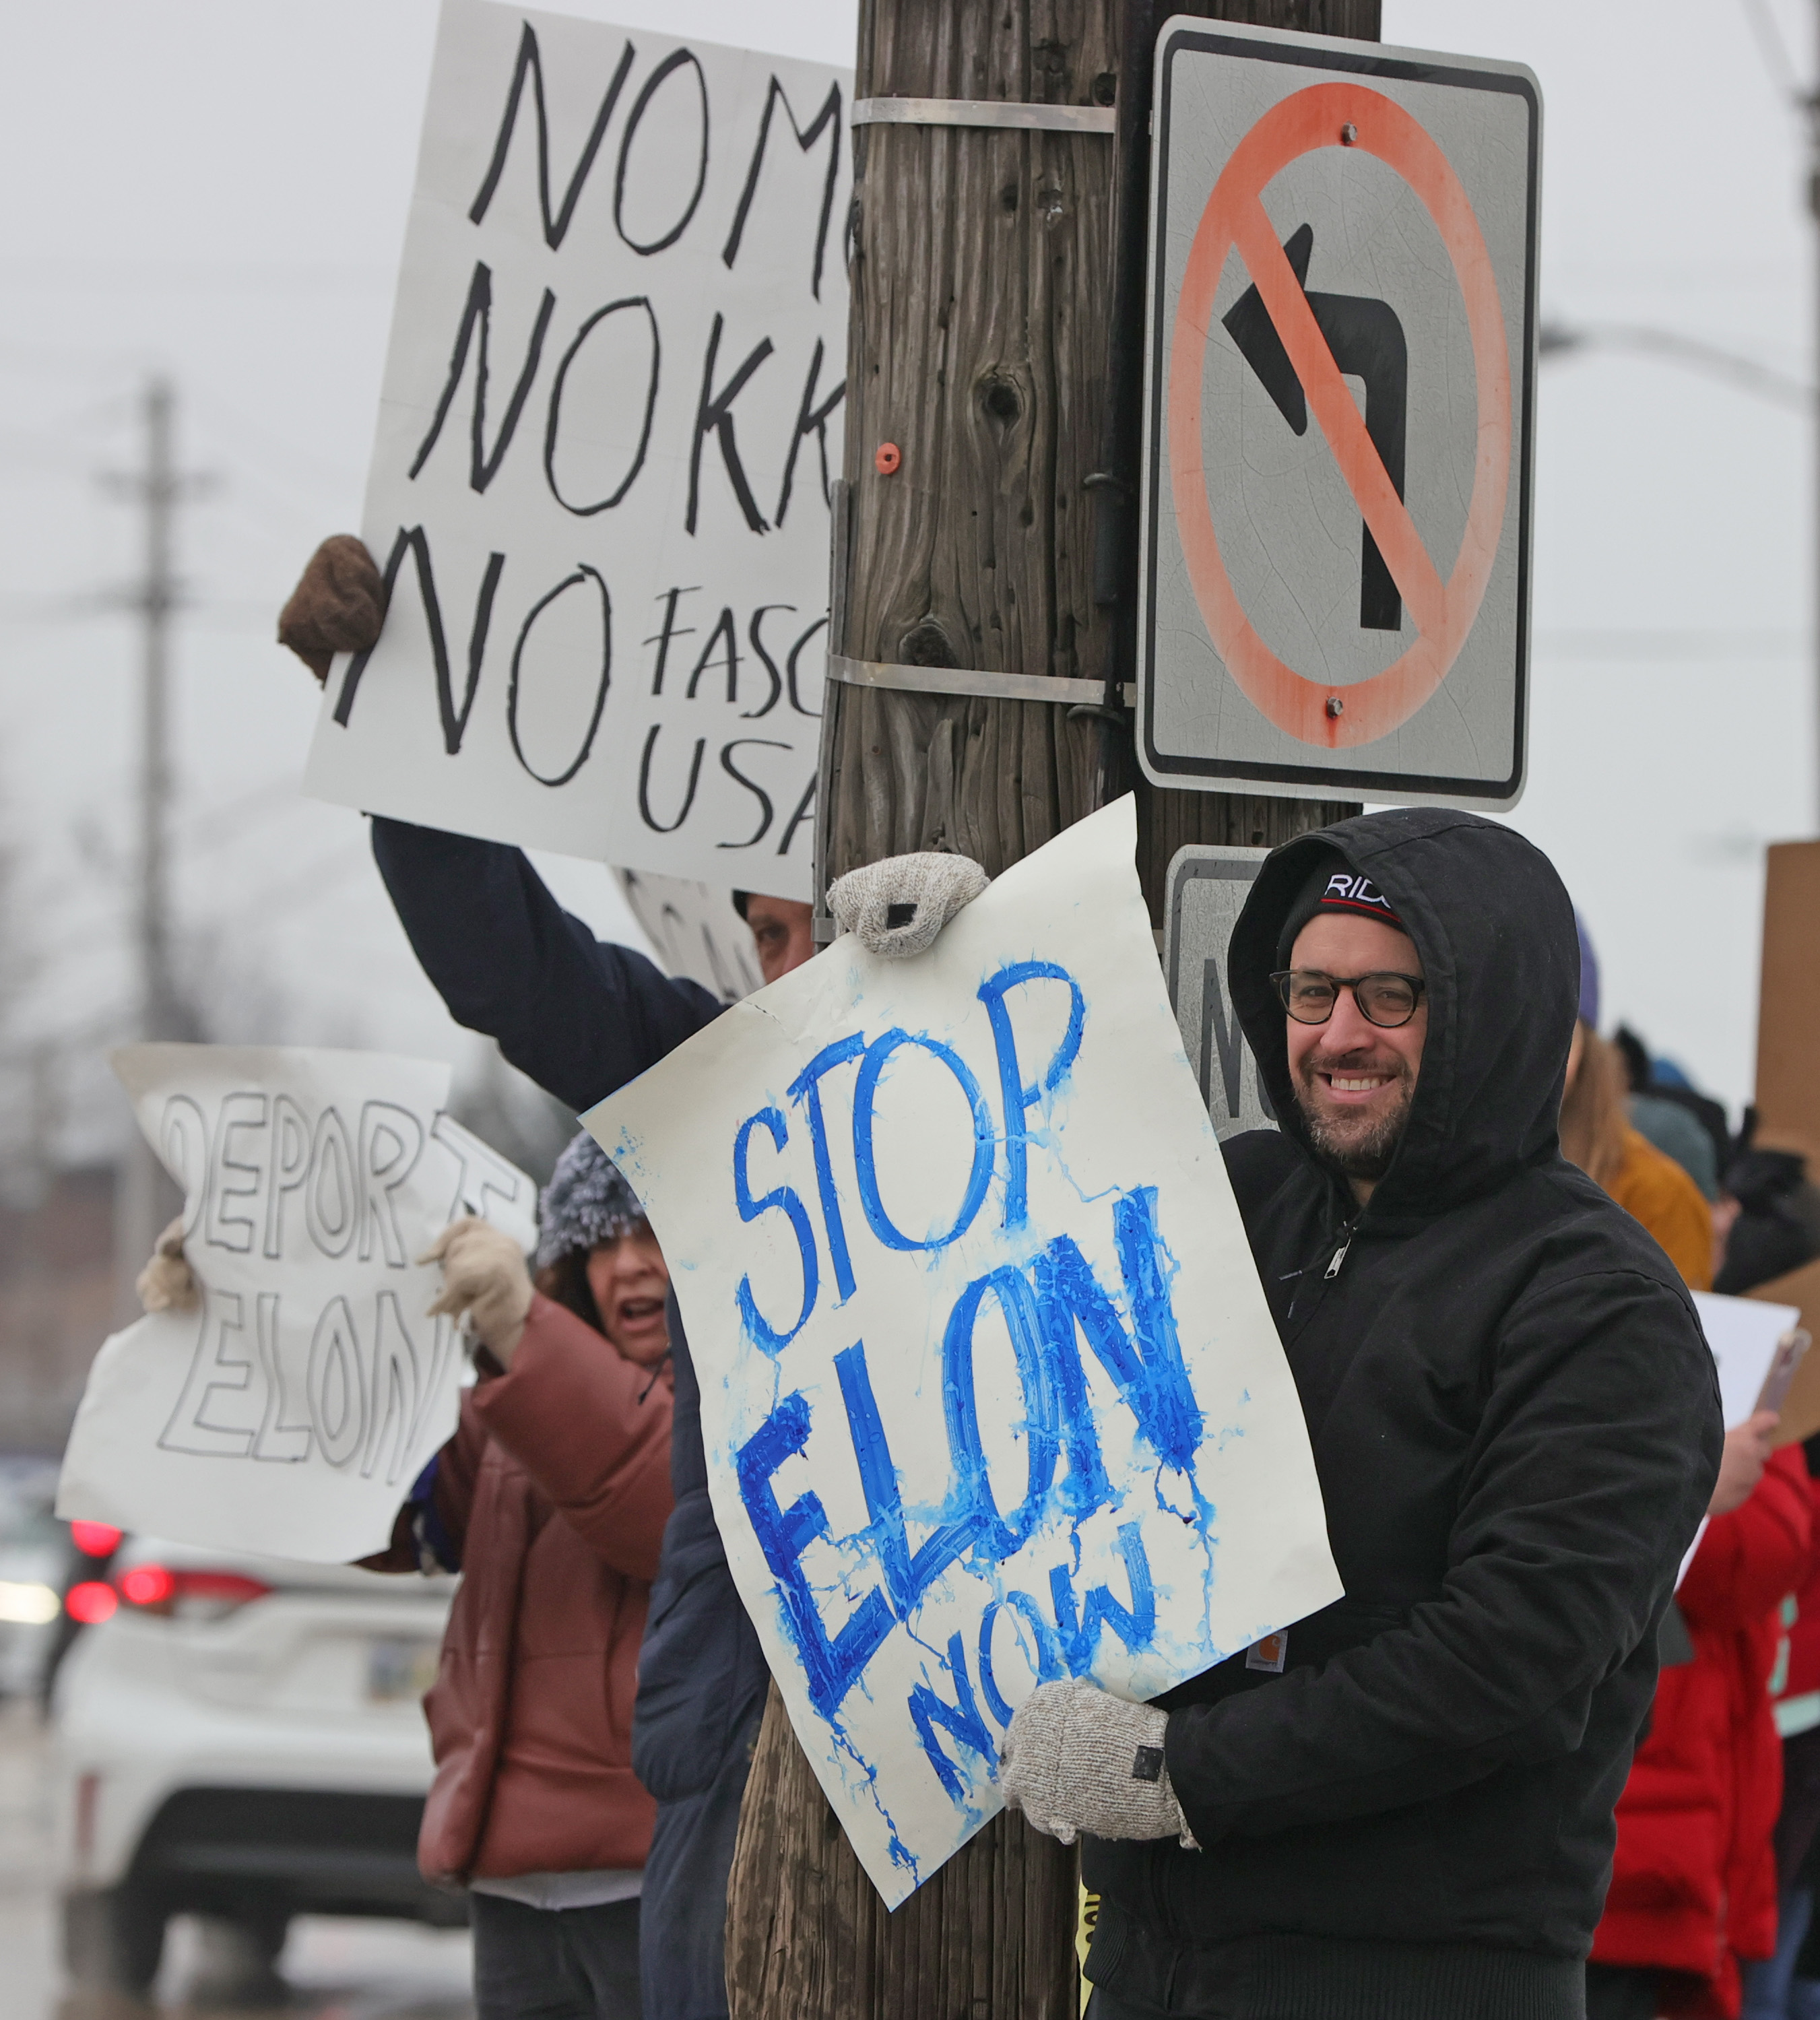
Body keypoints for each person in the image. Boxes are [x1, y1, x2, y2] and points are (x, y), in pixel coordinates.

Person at [999, 812, 1722, 2020]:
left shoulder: (1596, 1303)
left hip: (1412, 1977)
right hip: (1148, 1968)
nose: (1340, 1035)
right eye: (1312, 990)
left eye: (1392, 996)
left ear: (1491, 1011)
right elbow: (1000, 1283)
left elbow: (1507, 1666)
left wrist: (1184, 1774)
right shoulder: (1241, 1201)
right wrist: (931, 979)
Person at [141, 1136, 673, 2020]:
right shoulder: (522, 1390)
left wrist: (522, 1331)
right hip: (515, 1889)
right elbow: (376, 1493)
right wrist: (244, 1323)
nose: (626, 1266)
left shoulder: (746, 1387)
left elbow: (650, 1498)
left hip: (664, 1884)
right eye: (599, 1242)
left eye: (649, 1232)